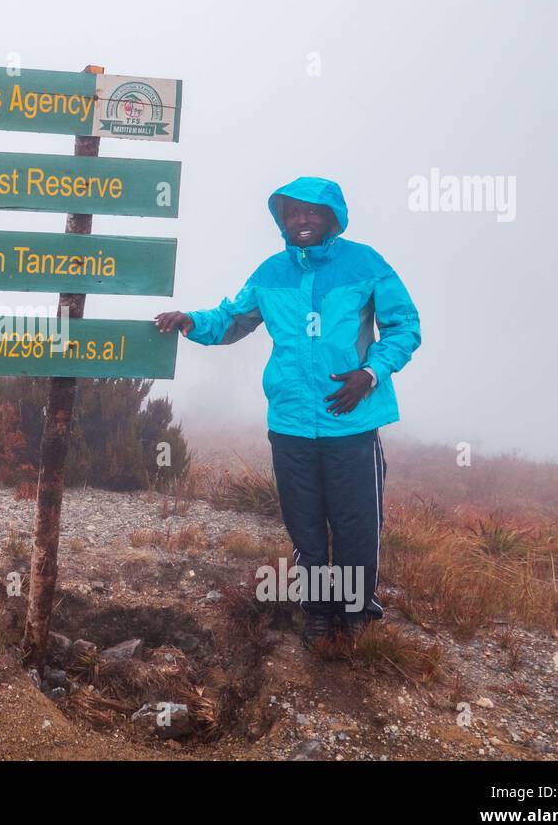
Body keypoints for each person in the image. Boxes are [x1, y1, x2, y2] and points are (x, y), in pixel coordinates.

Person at [155, 177, 421, 649]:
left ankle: (357, 614)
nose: (302, 220)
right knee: (305, 524)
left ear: (332, 219)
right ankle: (319, 612)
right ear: (282, 219)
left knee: (357, 523)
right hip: (290, 422)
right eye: (292, 212)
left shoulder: (365, 264)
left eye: (313, 212)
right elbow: (232, 320)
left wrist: (371, 374)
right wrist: (192, 321)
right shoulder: (270, 273)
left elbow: (404, 327)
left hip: (351, 420)